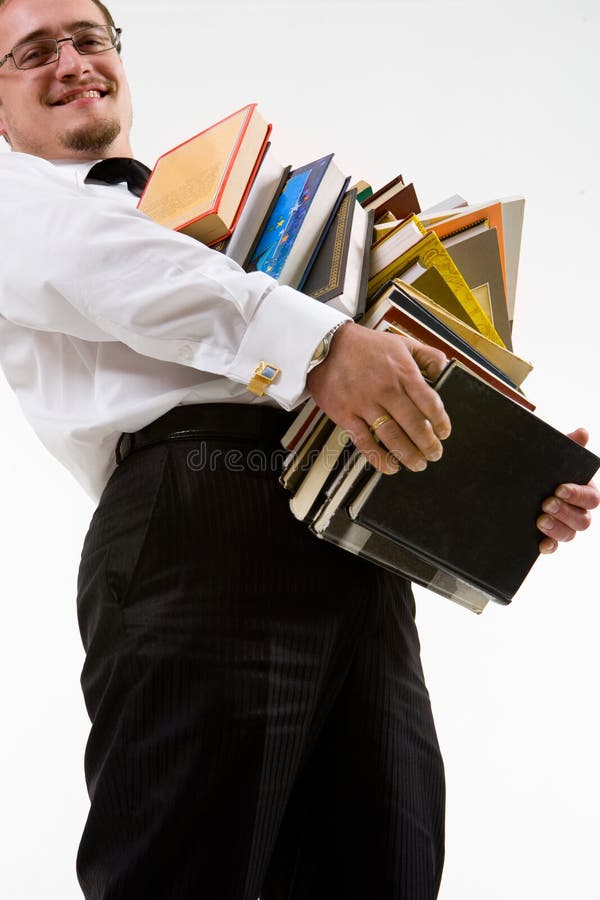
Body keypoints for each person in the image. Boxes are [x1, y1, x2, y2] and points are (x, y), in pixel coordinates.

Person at [0, 1, 597, 898]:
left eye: (88, 40)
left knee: (384, 867)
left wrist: (492, 483)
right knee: (184, 872)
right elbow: (106, 269)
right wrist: (320, 348)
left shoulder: (217, 214)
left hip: (355, 535)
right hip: (197, 517)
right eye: (33, 51)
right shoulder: (28, 202)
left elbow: (367, 368)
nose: (73, 62)